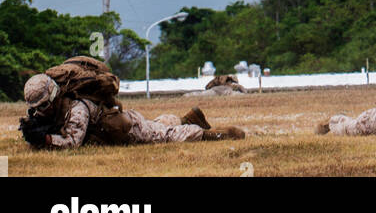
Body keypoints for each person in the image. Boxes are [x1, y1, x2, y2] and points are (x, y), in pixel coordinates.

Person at [19, 66, 244, 149]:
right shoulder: (56, 107)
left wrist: (46, 140)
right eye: (36, 108)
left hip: (128, 130)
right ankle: (188, 118)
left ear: (55, 96)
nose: (41, 112)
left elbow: (72, 143)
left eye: (44, 106)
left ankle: (212, 135)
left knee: (166, 137)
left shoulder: (77, 109)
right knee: (156, 126)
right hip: (125, 121)